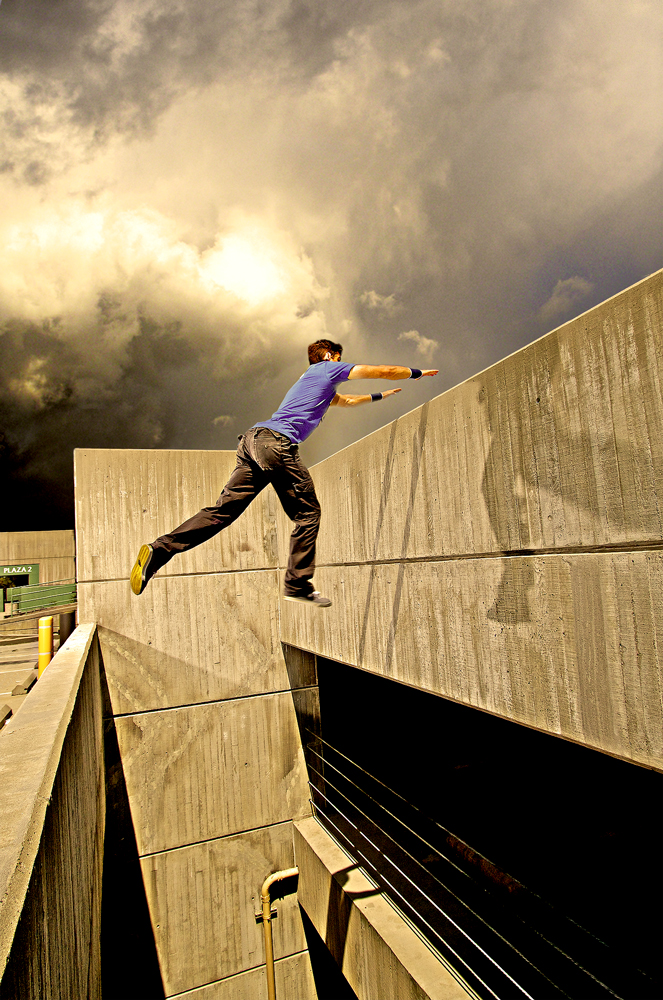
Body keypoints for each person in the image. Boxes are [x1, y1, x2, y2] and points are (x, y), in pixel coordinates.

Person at [130, 339, 438, 607]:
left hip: (253, 442)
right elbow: (382, 370)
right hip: (276, 444)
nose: (343, 366)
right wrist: (417, 373)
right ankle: (298, 585)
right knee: (308, 514)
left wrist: (380, 397)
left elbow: (345, 401)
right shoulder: (326, 369)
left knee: (221, 513)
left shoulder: (314, 382)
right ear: (330, 355)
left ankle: (159, 551)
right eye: (340, 358)